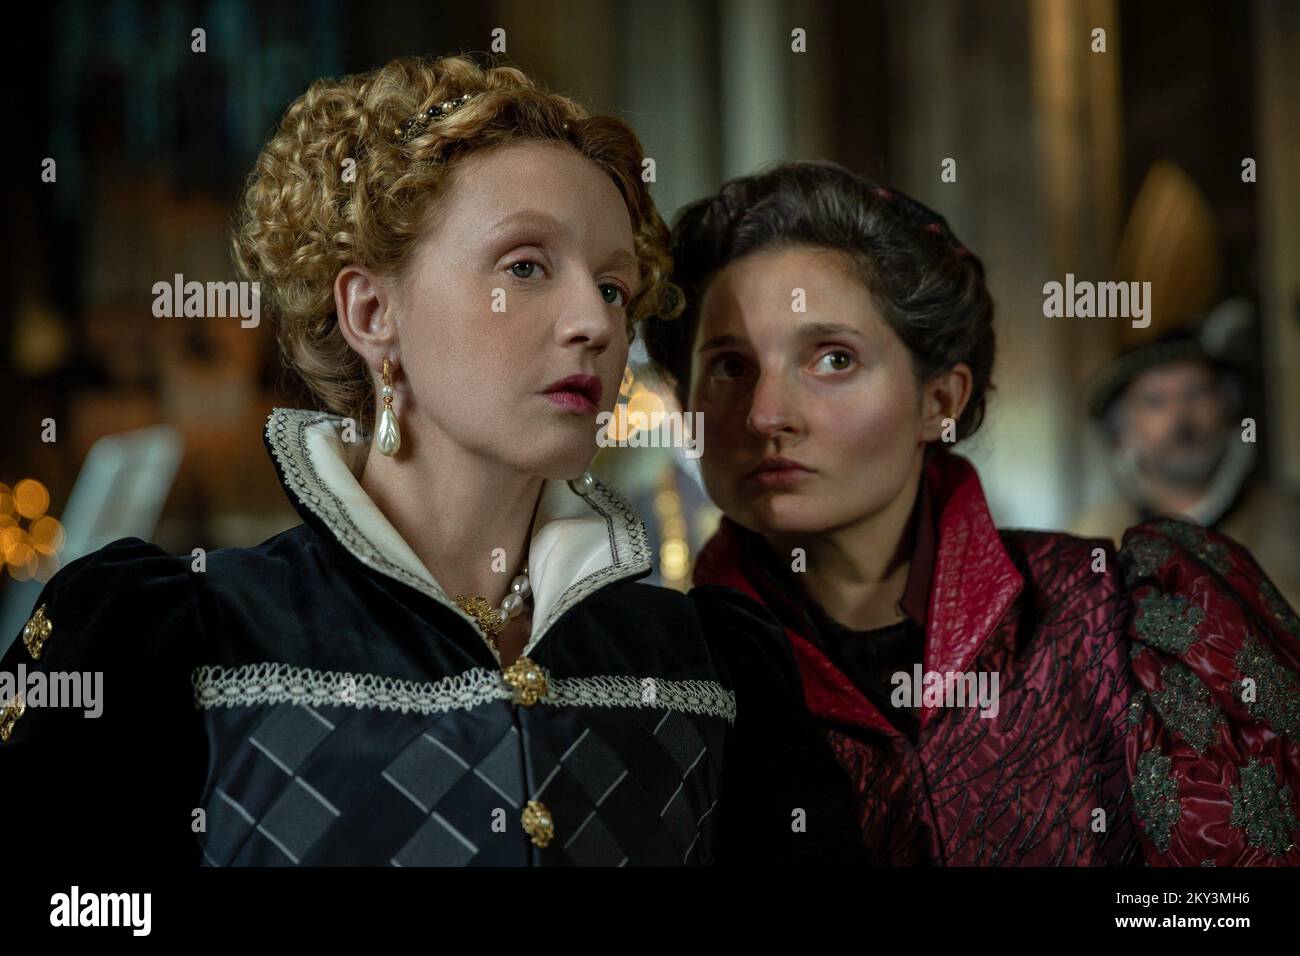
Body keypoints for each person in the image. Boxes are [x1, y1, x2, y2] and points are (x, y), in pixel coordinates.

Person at [0, 57, 864, 867]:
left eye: (613, 286)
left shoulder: (710, 663)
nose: (596, 325)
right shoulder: (170, 639)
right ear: (372, 310)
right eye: (526, 266)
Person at [643, 160, 1300, 865]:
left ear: (941, 401)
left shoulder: (1125, 622)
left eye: (832, 359)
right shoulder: (656, 683)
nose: (767, 414)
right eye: (730, 368)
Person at [1073, 327, 1300, 608]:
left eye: (1198, 392)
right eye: (1155, 401)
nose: (1181, 418)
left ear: (1228, 409)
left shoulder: (1290, 520)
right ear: (1123, 435)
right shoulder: (1094, 539)